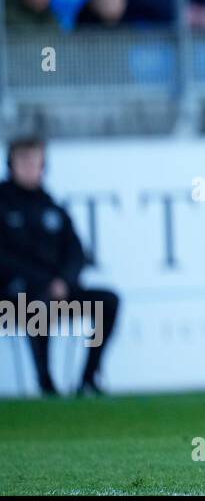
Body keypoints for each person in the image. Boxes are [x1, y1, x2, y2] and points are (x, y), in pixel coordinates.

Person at [0, 137, 119, 396]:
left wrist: (65, 282)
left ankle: (88, 378)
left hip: (58, 293)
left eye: (35, 161)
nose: (31, 167)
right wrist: (43, 283)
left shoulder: (52, 205)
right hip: (11, 300)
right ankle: (46, 383)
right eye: (24, 160)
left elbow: (76, 252)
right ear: (11, 164)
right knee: (37, 305)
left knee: (107, 302)